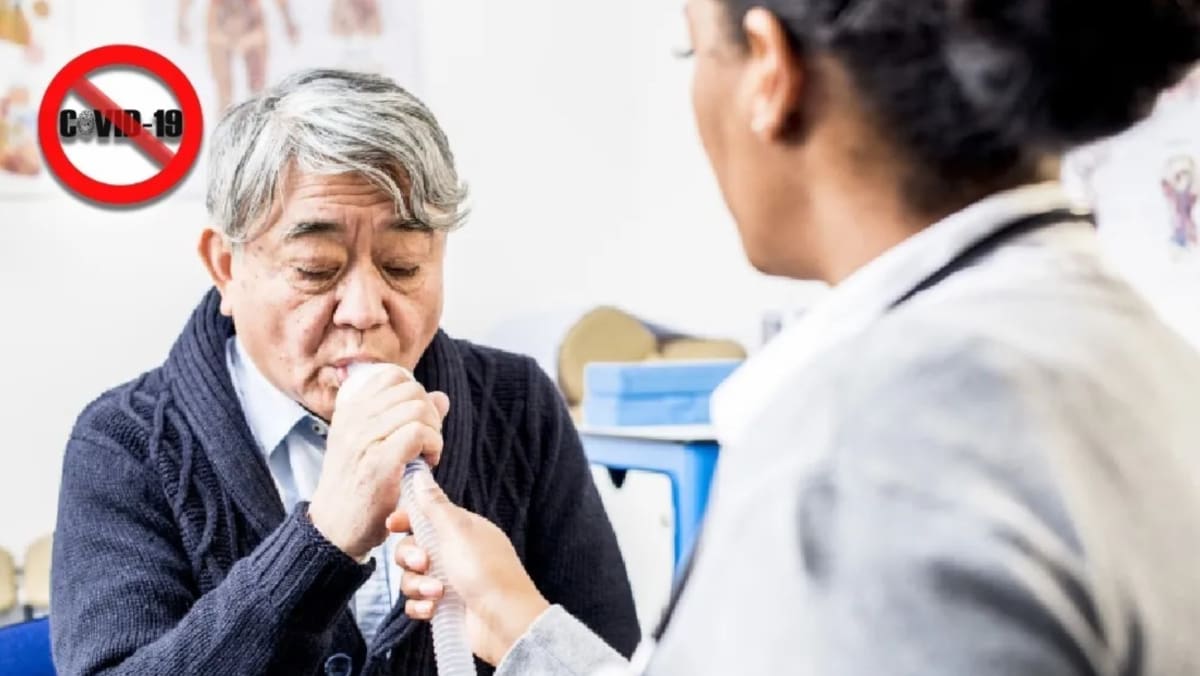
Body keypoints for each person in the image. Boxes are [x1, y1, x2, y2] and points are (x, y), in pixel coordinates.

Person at [389, 1, 1200, 674]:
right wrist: (519, 623)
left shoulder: (868, 455)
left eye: (693, 51)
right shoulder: (1137, 355)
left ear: (770, 74)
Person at [50, 69, 639, 676]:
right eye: (315, 269)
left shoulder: (520, 408)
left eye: (403, 266)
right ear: (225, 267)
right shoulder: (123, 444)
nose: (363, 312)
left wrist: (522, 623)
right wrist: (323, 539)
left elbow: (608, 653)